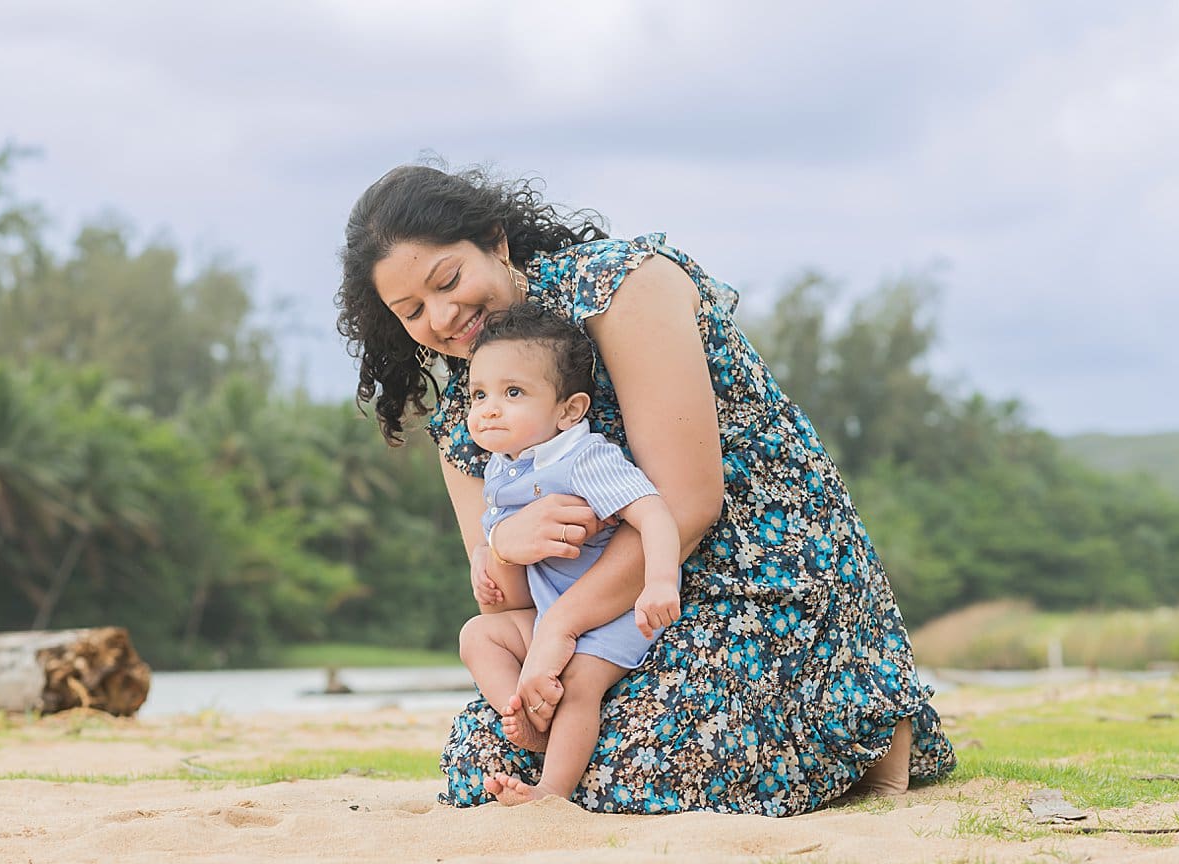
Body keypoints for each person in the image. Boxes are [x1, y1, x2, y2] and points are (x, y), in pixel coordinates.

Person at [336, 163, 956, 815]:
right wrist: (506, 546)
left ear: (496, 242)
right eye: (412, 311)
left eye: (448, 281)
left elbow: (689, 506)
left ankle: (867, 717)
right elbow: (504, 604)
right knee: (484, 763)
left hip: (748, 568)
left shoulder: (619, 287)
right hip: (602, 616)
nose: (442, 315)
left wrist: (561, 629)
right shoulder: (467, 422)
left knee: (648, 765)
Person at [458, 302, 682, 805]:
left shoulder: (583, 457)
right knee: (477, 636)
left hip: (611, 612)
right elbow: (498, 539)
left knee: (580, 680)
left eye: (513, 393)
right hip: (547, 611)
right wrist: (483, 556)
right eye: (479, 394)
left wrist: (660, 581)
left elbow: (654, 512)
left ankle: (552, 791)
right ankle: (525, 713)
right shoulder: (501, 466)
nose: (489, 408)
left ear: (568, 410)